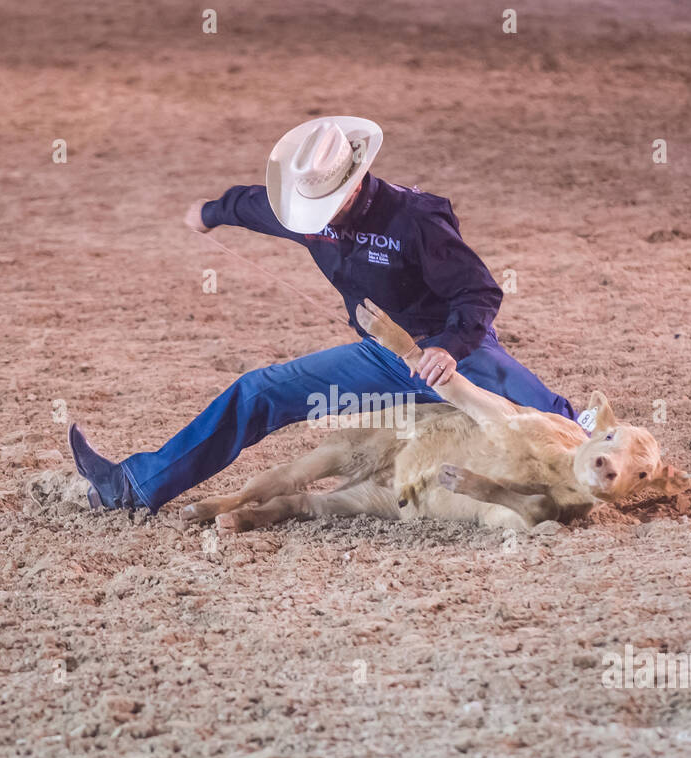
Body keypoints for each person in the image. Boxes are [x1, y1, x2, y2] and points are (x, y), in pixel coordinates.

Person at [69, 115, 576, 512]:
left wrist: (447, 347)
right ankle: (134, 486)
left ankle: (613, 467)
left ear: (354, 183)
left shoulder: (417, 217)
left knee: (554, 421)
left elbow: (479, 292)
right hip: (381, 357)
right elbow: (250, 205)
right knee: (258, 391)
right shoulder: (300, 206)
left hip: (456, 353)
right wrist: (208, 212)